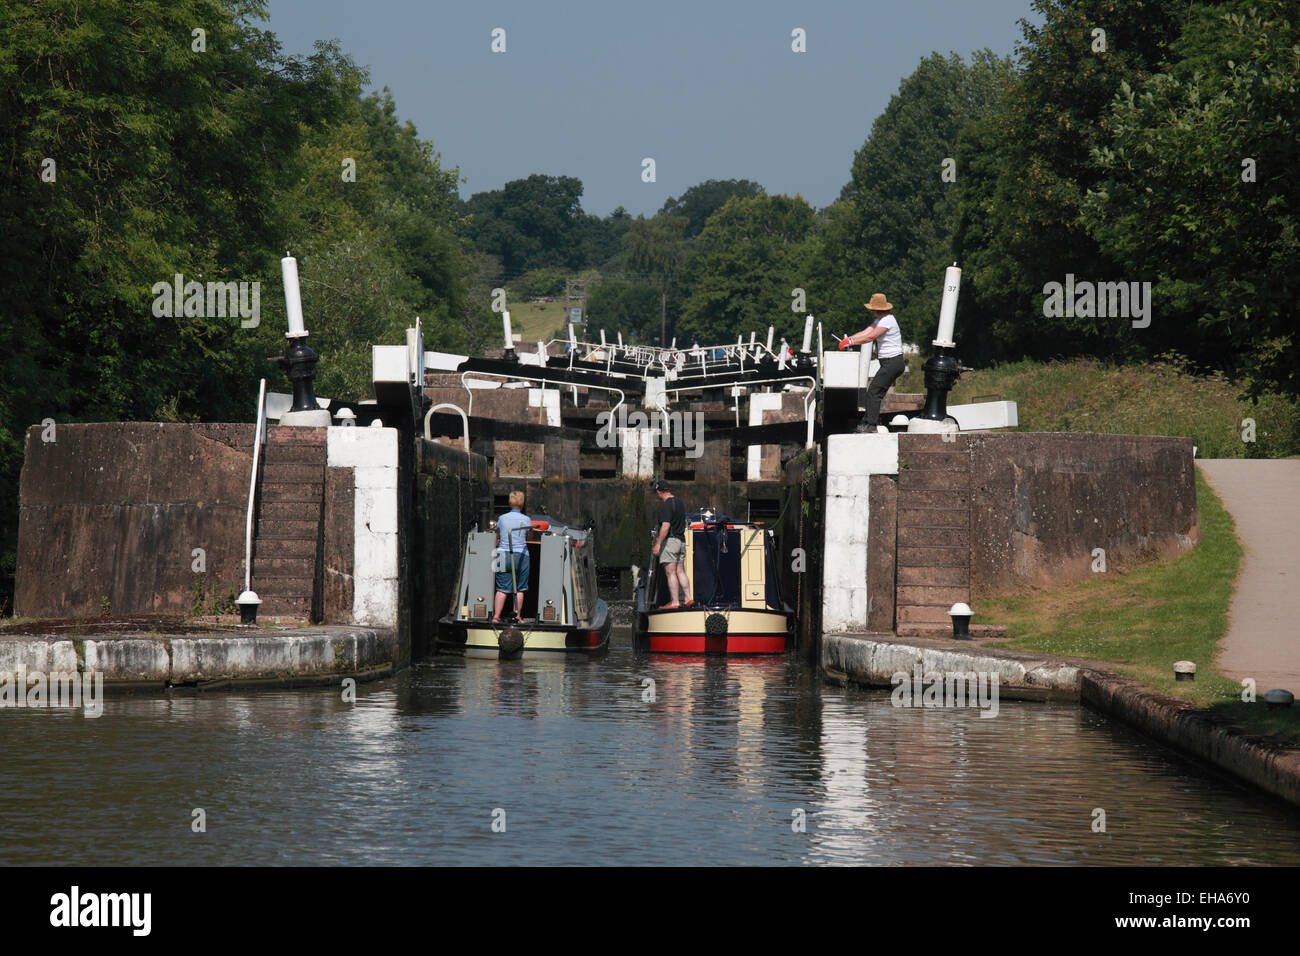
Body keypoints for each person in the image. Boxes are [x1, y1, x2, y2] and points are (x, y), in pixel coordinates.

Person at [839, 292, 906, 432]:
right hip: (889, 362)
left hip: (893, 362)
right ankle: (868, 421)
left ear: (876, 309)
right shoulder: (880, 320)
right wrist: (848, 339)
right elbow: (866, 331)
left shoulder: (887, 320)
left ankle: (871, 424)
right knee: (875, 392)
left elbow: (871, 337)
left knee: (874, 392)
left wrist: (851, 341)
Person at [650, 480, 692, 608]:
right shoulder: (679, 503)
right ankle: (689, 598)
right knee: (680, 571)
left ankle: (675, 602)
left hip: (671, 542)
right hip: (682, 541)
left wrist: (658, 544)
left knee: (670, 573)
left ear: (658, 492)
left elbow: (666, 526)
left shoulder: (666, 505)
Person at [492, 490, 531, 622]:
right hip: (521, 556)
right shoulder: (526, 519)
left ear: (510, 502)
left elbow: (497, 534)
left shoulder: (501, 518)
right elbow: (529, 536)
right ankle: (518, 616)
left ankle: (496, 617)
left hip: (502, 554)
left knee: (501, 589)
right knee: (519, 588)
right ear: (522, 503)